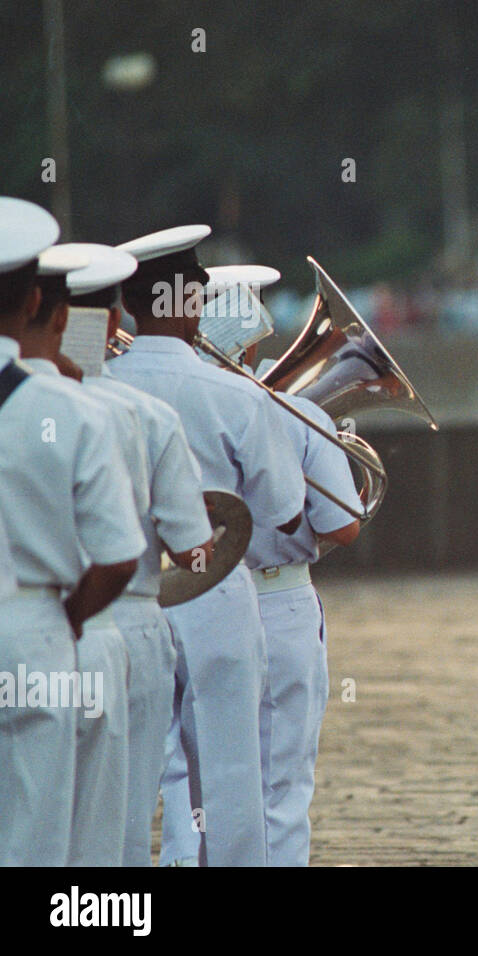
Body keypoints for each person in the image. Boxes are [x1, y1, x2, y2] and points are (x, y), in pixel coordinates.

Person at [110, 225, 305, 867]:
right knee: (230, 768)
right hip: (218, 591)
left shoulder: (97, 387)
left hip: (124, 595)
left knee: (128, 768)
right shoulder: (237, 393)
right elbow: (280, 508)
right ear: (190, 301)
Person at [0, 197, 144, 865]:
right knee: (40, 833)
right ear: (41, 304)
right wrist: (70, 619)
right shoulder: (72, 407)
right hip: (35, 627)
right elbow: (118, 560)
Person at [63, 243, 215, 866]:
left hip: (22, 624)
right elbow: (191, 547)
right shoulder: (143, 415)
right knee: (123, 821)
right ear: (117, 318)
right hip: (121, 620)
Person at [239, 265, 363, 866]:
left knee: (189, 777)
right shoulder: (300, 414)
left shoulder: (147, 400)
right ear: (257, 335)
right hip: (279, 601)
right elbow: (342, 523)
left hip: (185, 600)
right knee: (282, 784)